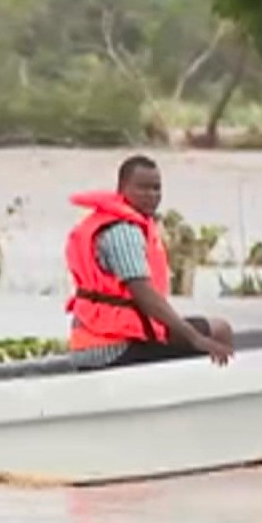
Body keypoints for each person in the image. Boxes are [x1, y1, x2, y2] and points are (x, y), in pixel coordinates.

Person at [65, 155, 234, 369]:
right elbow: (144, 296)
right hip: (114, 348)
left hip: (97, 341)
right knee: (220, 331)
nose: (151, 196)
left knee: (212, 329)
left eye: (156, 189)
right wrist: (195, 339)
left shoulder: (113, 222)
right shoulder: (124, 232)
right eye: (142, 189)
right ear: (122, 189)